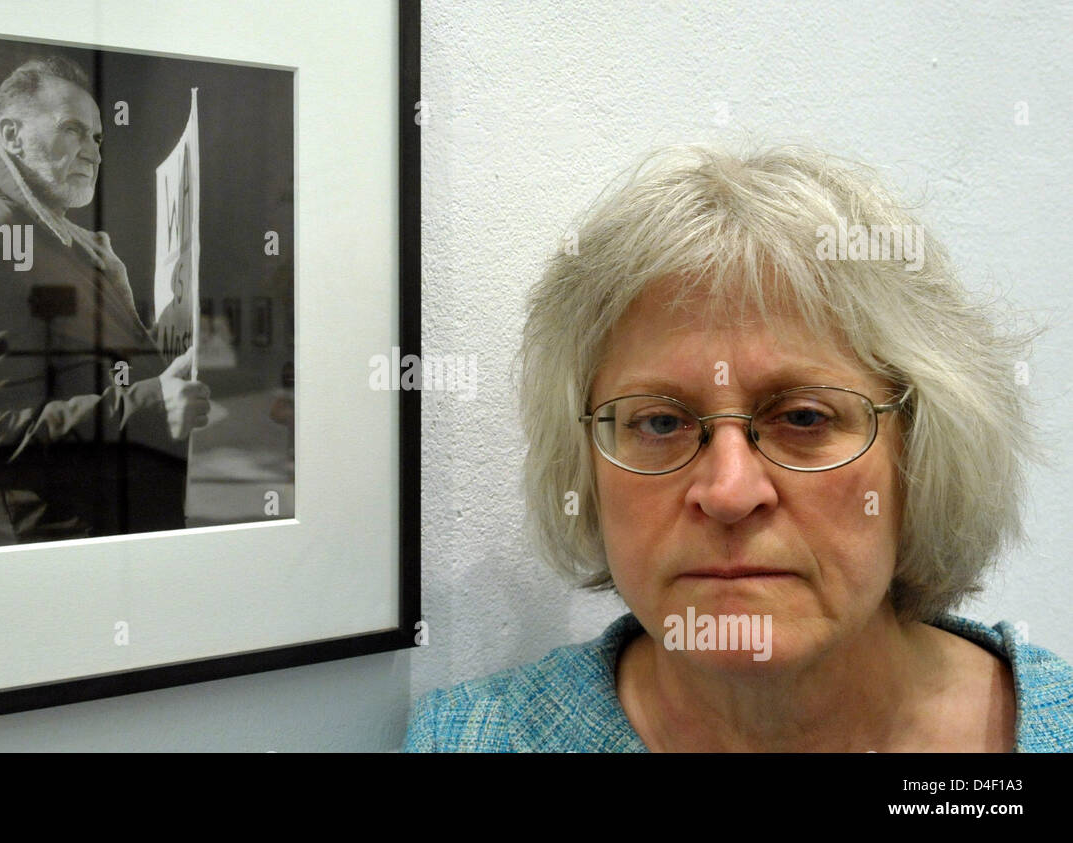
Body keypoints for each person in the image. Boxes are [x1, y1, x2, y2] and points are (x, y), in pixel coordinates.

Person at [403, 144, 1073, 752]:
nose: (728, 492)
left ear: (922, 453)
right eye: (660, 423)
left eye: (805, 416)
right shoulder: (476, 740)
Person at [0, 56, 210, 548]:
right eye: (72, 131)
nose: (94, 154)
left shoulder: (48, 235)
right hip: (61, 558)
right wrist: (151, 406)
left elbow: (67, 373)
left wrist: (124, 310)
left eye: (97, 138)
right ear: (12, 136)